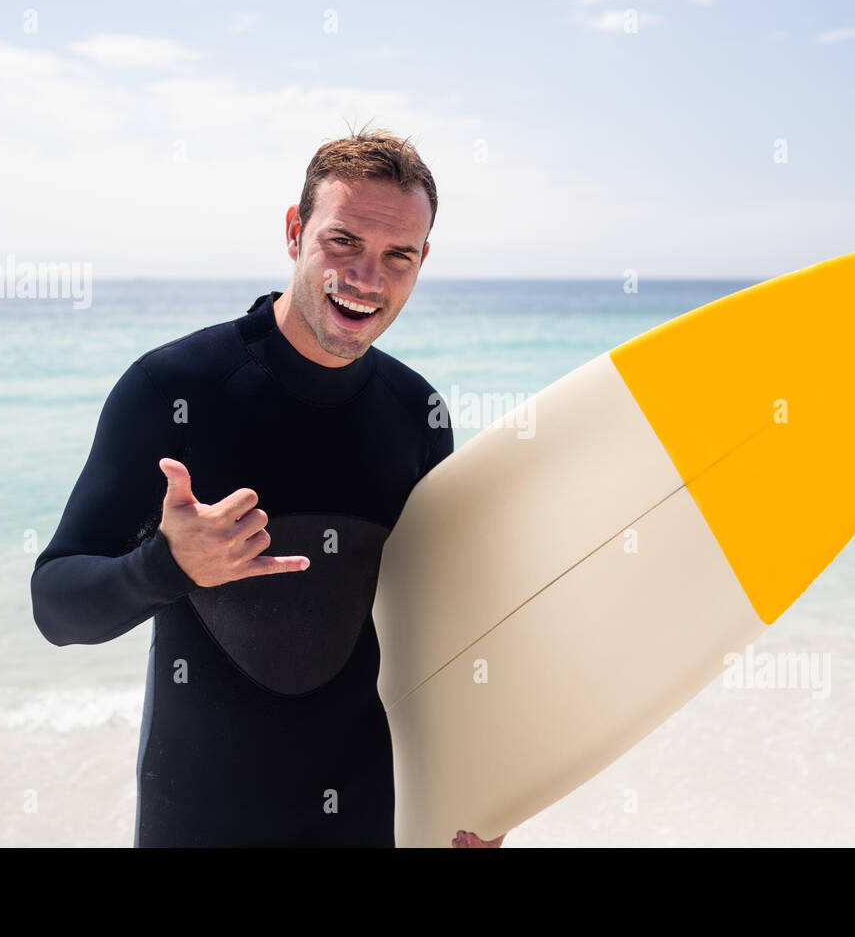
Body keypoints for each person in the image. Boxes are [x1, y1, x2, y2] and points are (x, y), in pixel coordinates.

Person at [30, 127, 504, 848]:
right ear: (295, 230)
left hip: (363, 812)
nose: (367, 277)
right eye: (343, 241)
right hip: (199, 817)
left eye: (397, 255)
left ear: (421, 261)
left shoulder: (418, 415)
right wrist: (168, 564)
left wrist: (469, 796)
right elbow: (56, 605)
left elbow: (437, 626)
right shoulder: (175, 388)